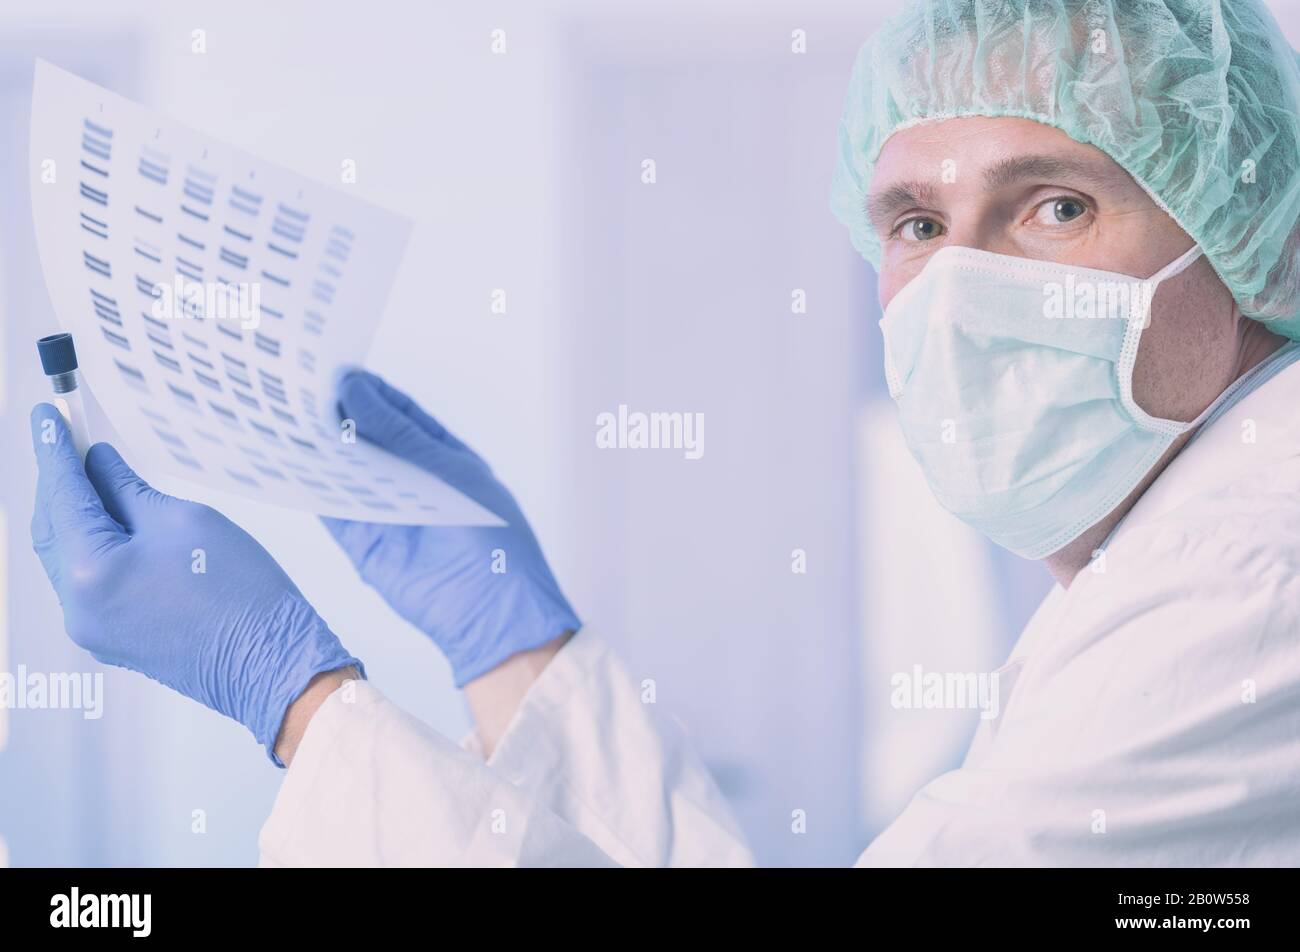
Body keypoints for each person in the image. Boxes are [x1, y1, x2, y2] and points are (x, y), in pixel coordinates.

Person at [29, 0, 1300, 865]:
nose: (960, 290)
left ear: (1236, 234)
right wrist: (518, 650)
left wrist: (300, 704)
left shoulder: (1246, 569)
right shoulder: (1181, 541)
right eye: (914, 226)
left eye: (1054, 206)